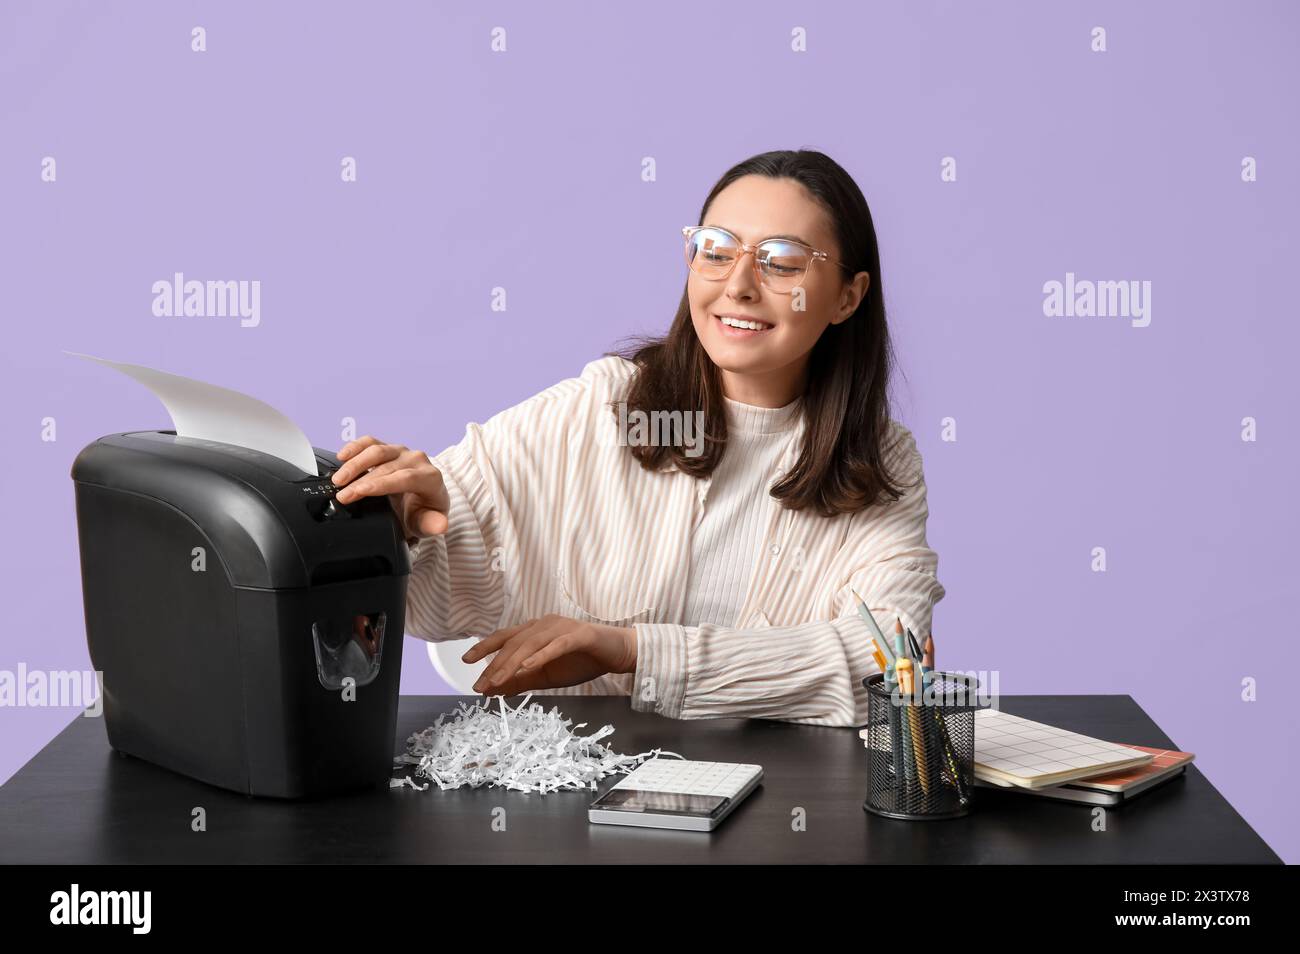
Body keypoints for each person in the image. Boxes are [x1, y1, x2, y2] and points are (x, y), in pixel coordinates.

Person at [329, 149, 945, 727]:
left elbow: (889, 660)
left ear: (847, 296)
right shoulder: (600, 411)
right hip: (581, 809)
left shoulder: (879, 463)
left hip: (786, 808)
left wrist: (630, 650)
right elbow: (432, 592)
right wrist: (399, 527)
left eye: (780, 262)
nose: (738, 285)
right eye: (715, 250)